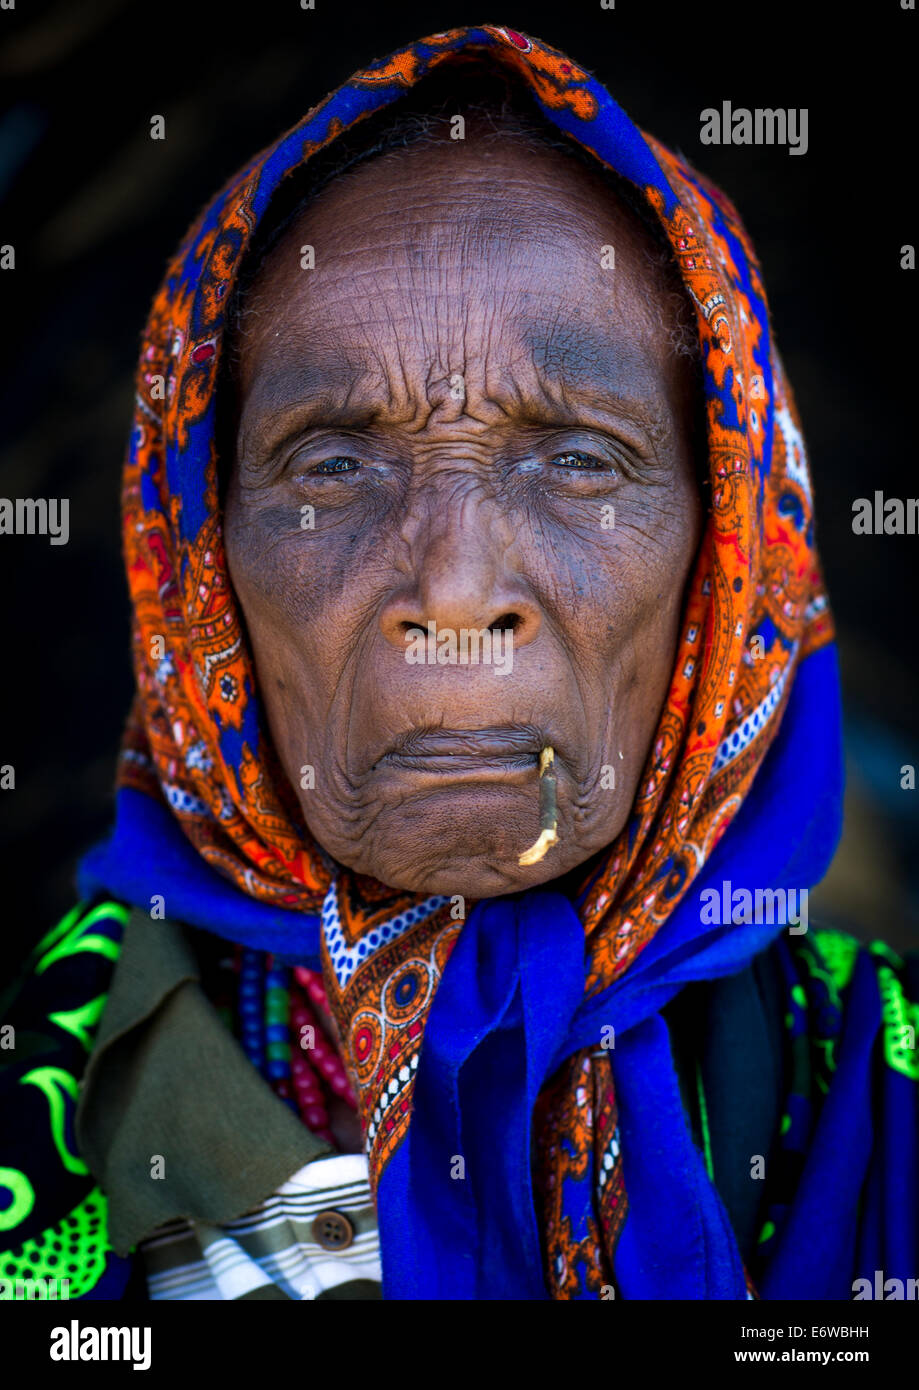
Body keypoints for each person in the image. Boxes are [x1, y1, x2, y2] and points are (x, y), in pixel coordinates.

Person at [2, 23, 916, 1303]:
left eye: (579, 458)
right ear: (200, 564)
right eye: (331, 466)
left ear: (724, 558)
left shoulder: (885, 1089)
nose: (453, 589)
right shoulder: (39, 1090)